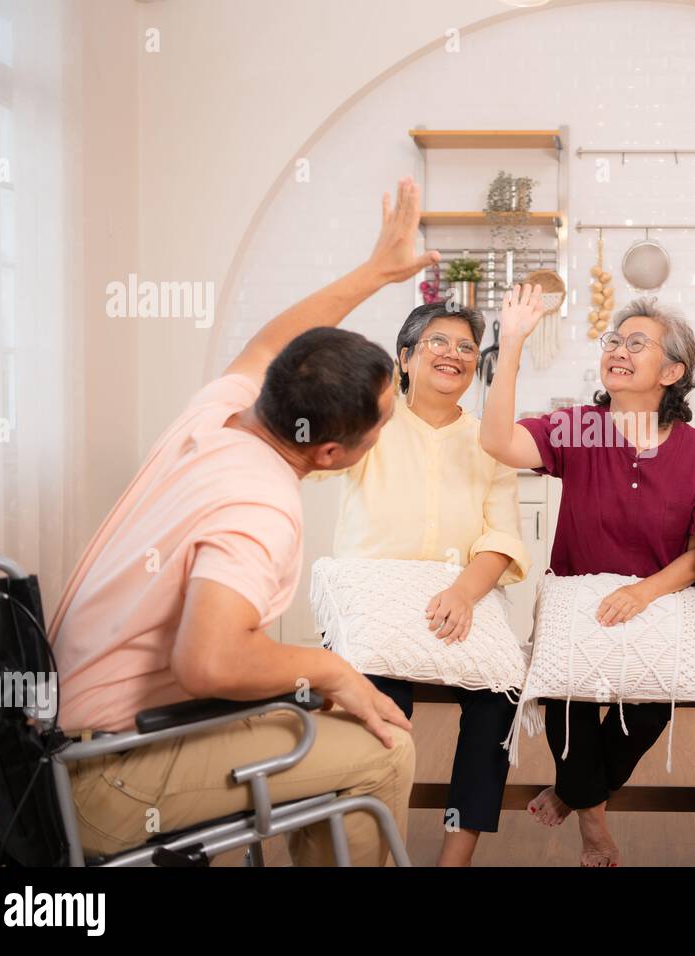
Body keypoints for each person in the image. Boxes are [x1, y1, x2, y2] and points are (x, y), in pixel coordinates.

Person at [48, 179, 439, 866]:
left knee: (332, 723)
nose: (389, 426)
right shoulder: (260, 503)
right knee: (385, 748)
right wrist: (332, 670)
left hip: (60, 744)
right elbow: (209, 660)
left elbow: (274, 340)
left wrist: (379, 269)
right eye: (381, 424)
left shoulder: (224, 411)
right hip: (104, 778)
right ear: (330, 453)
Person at [480, 286, 695, 866]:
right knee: (571, 698)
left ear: (672, 370)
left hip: (660, 605)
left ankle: (571, 791)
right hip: (578, 607)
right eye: (614, 340)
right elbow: (496, 441)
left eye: (636, 343)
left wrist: (644, 592)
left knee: (645, 709)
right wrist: (510, 343)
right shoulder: (579, 429)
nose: (618, 349)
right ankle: (594, 823)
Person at [320, 300, 530, 866]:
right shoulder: (370, 423)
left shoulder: (492, 441)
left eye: (466, 348)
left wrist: (464, 592)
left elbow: (502, 537)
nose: (454, 355)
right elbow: (324, 453)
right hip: (375, 605)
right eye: (438, 343)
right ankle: (375, 849)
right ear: (405, 359)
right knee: (381, 712)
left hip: (460, 599)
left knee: (496, 703)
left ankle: (454, 858)